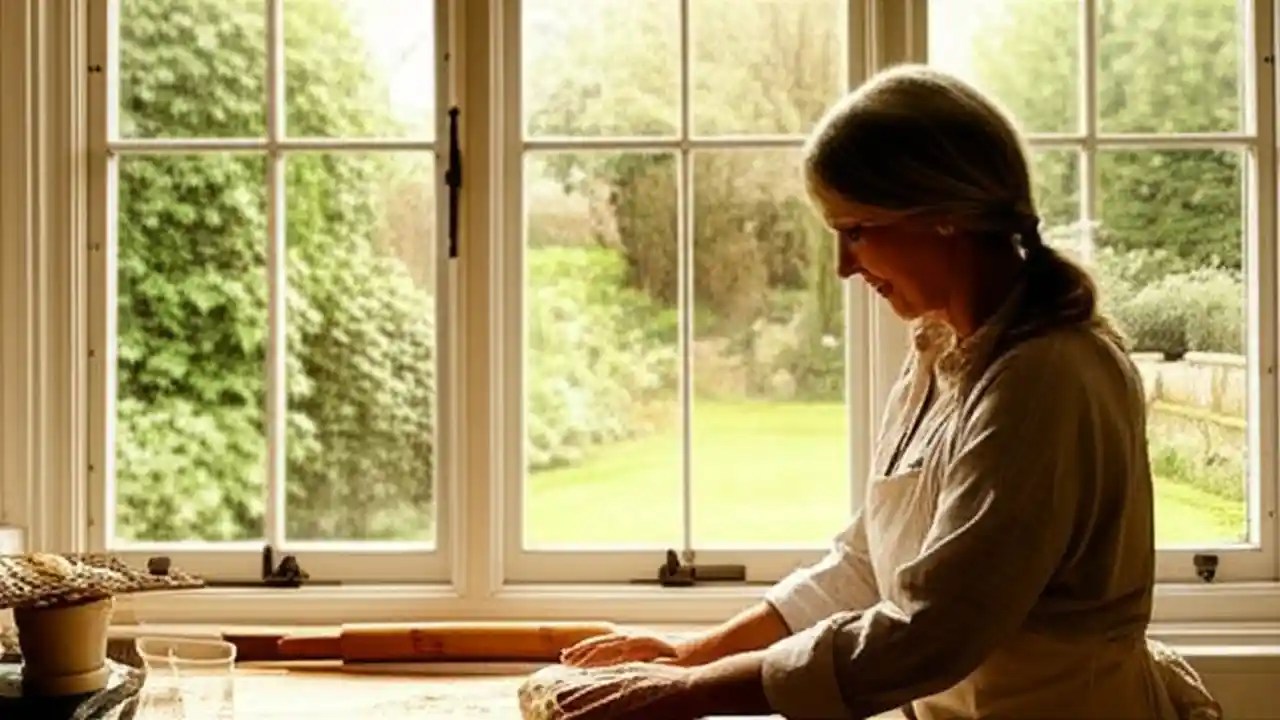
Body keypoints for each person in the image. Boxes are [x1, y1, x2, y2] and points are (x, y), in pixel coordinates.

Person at [548, 65, 1222, 720]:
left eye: (855, 232)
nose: (843, 266)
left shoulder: (1046, 377)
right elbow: (867, 565)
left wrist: (693, 694)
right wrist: (690, 657)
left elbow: (933, 631)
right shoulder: (941, 354)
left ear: (943, 215)